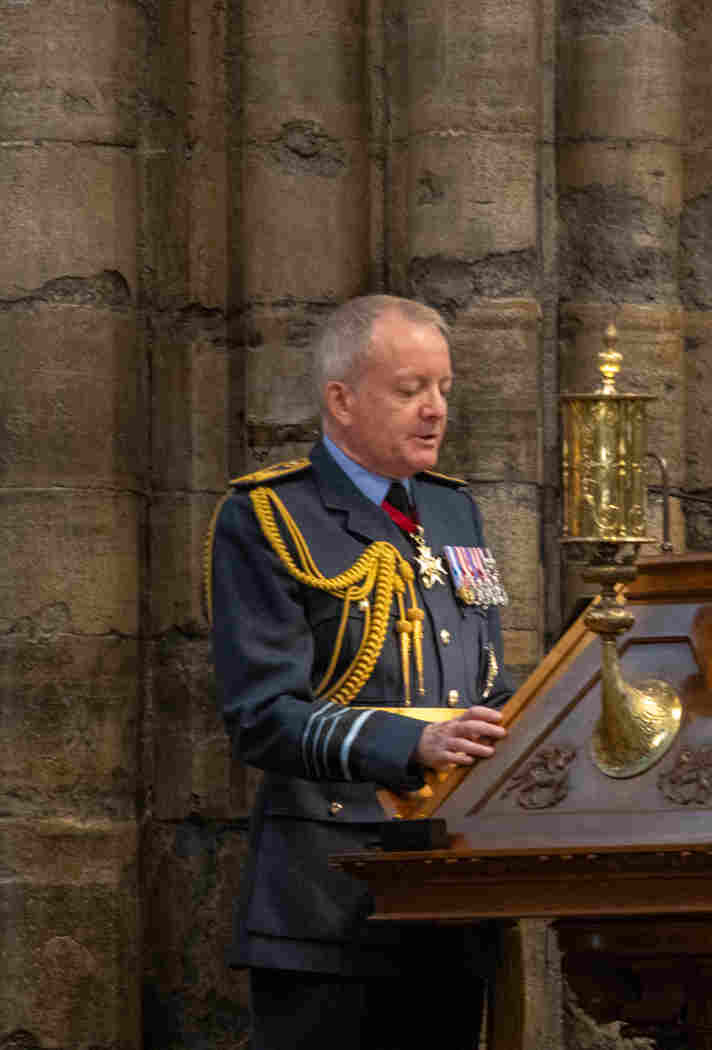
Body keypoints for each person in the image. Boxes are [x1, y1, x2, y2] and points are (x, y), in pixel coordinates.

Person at [205, 295, 513, 1049]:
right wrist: (410, 744)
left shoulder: (453, 512)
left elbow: (486, 684)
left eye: (443, 388)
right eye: (410, 390)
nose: (435, 410)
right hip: (329, 898)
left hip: (451, 889)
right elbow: (261, 716)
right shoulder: (271, 516)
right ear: (340, 400)